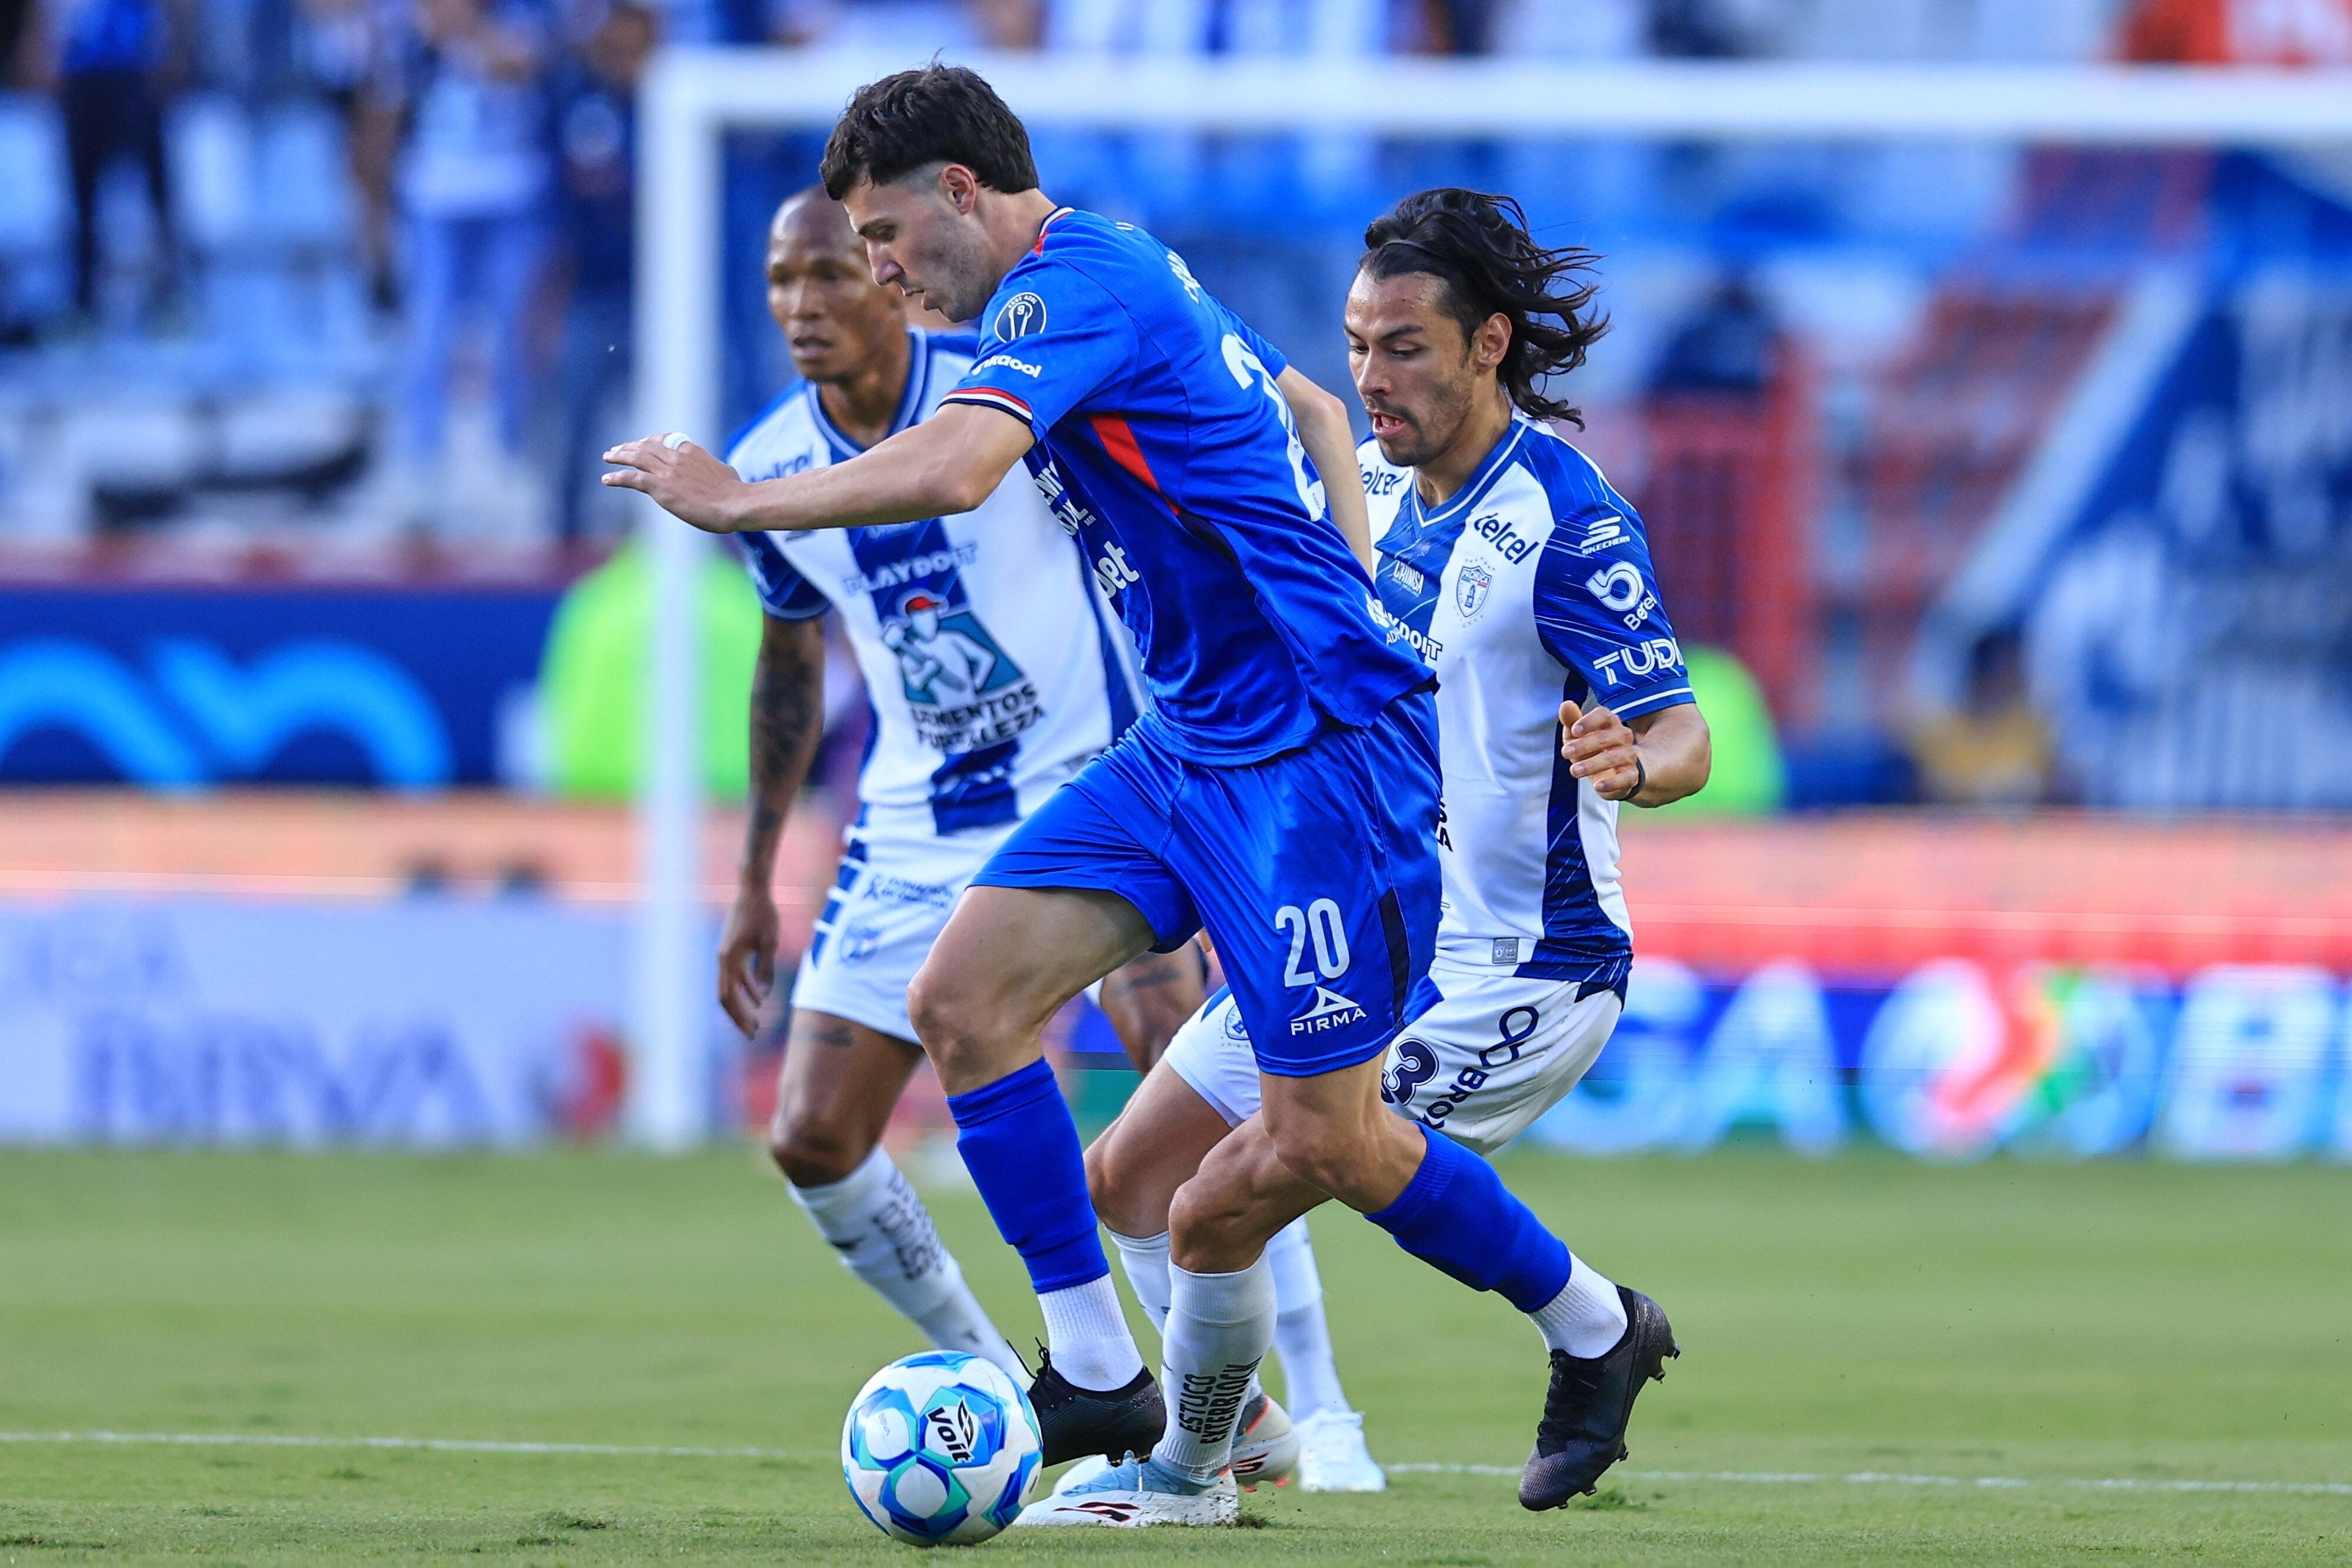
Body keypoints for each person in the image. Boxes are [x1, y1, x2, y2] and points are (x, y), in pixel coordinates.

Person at [603, 68, 1599, 1524]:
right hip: (1188, 742)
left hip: (1317, 757)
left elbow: (959, 469)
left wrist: (736, 500)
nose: (878, 274)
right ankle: (1093, 1372)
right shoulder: (1118, 269)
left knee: (1321, 1140)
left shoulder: (1073, 285)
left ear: (959, 193)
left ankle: (1590, 1325)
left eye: (883, 237)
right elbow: (1311, 405)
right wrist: (1355, 564)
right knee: (963, 1001)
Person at [1023, 187, 1713, 1527]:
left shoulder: (1567, 522)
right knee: (1129, 1183)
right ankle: (1564, 1337)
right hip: (1361, 921)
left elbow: (1681, 730)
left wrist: (1634, 762)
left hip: (1519, 966)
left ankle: (1190, 1475)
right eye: (1356, 344)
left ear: (1488, 344)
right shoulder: (1369, 493)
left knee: (1219, 1206)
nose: (1371, 374)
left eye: (1404, 346)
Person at [710, 187, 1219, 1412]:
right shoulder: (766, 467)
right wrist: (755, 879)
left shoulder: (1004, 385)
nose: (802, 304)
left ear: (890, 280)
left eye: (833, 271)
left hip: (1091, 781)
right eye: (781, 280)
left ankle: (1265, 1403)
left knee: (1184, 1074)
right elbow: (790, 669)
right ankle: (1006, 1385)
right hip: (916, 823)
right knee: (813, 1137)